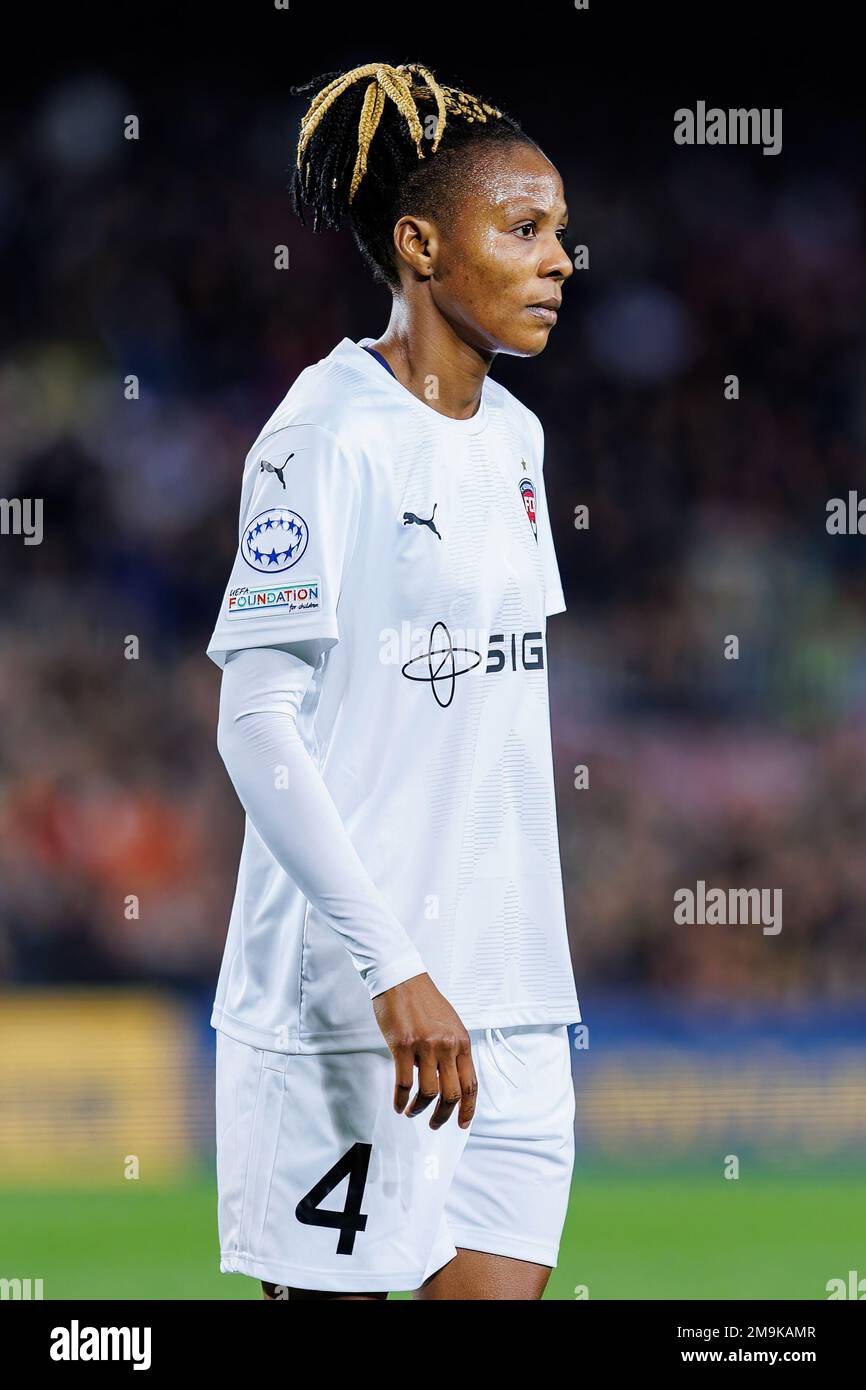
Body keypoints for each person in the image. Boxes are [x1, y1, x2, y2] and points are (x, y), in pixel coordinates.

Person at [207, 60, 580, 1301]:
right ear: (419, 243)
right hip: (355, 1009)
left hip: (513, 1006)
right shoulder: (322, 436)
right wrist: (389, 964)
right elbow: (254, 723)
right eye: (521, 230)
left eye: (559, 234)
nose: (557, 259)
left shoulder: (519, 441)